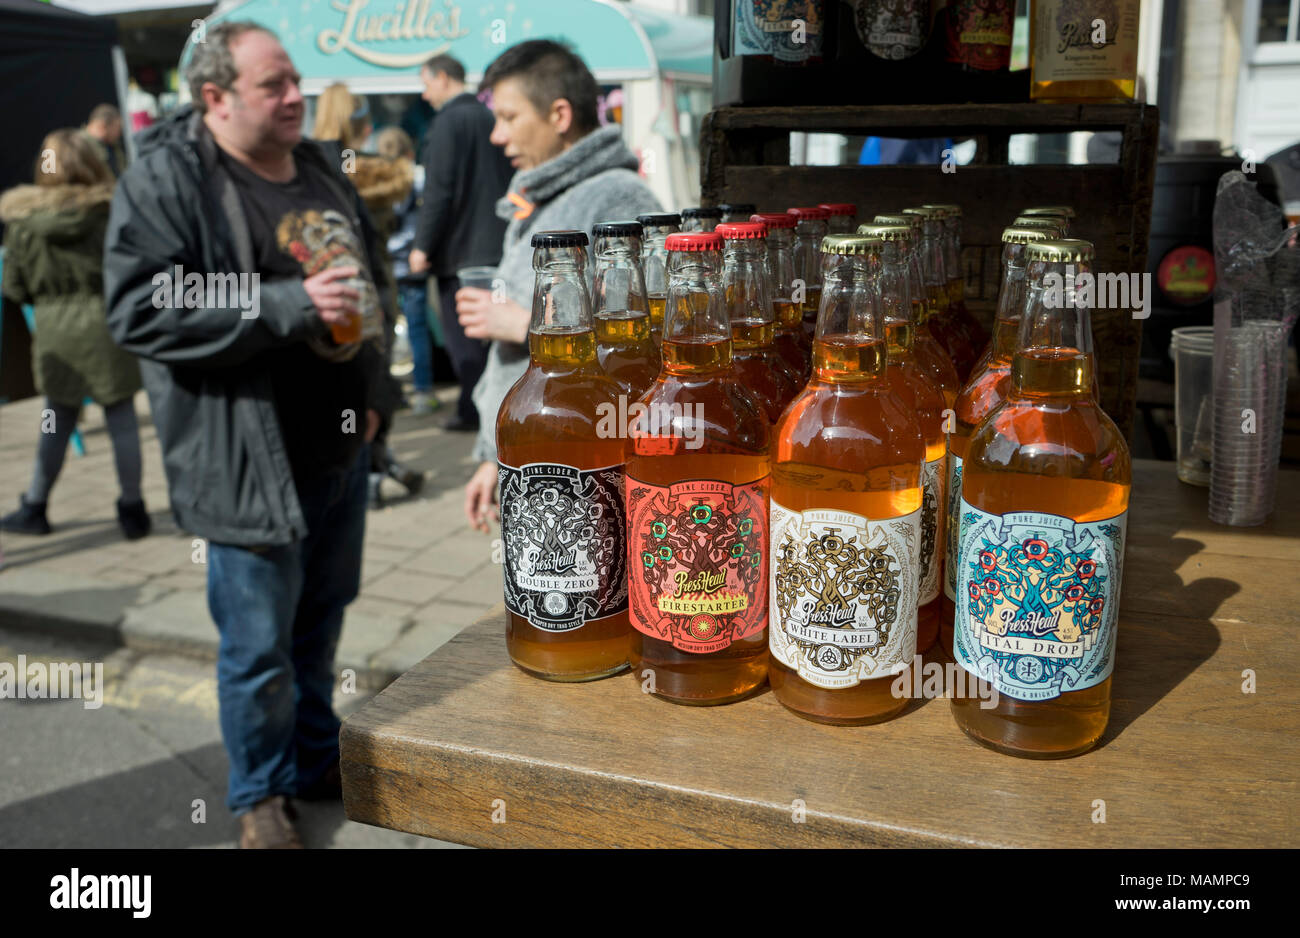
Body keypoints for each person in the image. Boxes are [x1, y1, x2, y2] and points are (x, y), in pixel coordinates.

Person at [103, 21, 390, 849]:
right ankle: (259, 795)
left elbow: (368, 284)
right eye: (274, 85)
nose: (296, 96)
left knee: (322, 622)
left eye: (296, 80)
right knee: (258, 648)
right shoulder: (165, 180)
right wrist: (285, 307)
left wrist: (376, 397)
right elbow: (142, 307)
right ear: (215, 97)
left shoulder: (324, 165)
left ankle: (310, 758)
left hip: (339, 446)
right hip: (241, 462)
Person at [458, 39, 662, 532]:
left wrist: (516, 322)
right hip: (530, 445)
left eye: (508, 117)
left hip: (583, 457)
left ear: (560, 114)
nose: (496, 136)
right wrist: (492, 452)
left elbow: (643, 340)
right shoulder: (545, 194)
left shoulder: (618, 195)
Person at [0, 129, 148, 539]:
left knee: (55, 419)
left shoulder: (24, 223)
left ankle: (36, 504)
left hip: (54, 331)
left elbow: (14, 285)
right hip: (107, 326)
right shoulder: (112, 213)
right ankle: (133, 509)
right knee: (121, 417)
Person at [312, 83, 422, 504]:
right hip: (370, 288)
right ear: (359, 122)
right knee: (371, 383)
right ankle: (372, 468)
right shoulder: (368, 172)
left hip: (334, 292)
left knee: (351, 385)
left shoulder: (308, 168)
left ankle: (374, 466)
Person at [408, 53, 512, 433]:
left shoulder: (446, 123)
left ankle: (473, 414)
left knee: (464, 338)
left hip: (459, 255)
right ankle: (497, 411)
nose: (424, 93)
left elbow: (439, 192)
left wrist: (421, 246)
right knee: (494, 338)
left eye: (425, 82)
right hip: (498, 247)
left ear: (443, 78)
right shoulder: (488, 117)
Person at [377, 125, 441, 416]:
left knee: (385, 327)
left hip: (386, 264)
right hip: (413, 263)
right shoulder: (417, 178)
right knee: (417, 329)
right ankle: (423, 391)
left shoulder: (377, 181)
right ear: (409, 151)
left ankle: (389, 392)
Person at [82, 104, 127, 178]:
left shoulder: (113, 145)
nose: (119, 133)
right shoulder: (78, 145)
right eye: (117, 128)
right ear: (103, 126)